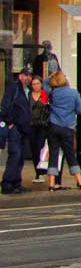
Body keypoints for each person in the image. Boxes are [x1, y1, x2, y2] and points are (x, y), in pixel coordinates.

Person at [45, 70, 81, 191]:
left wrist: (51, 76)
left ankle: (51, 184)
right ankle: (80, 182)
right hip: (68, 127)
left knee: (53, 155)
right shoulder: (74, 93)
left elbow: (44, 84)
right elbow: (80, 110)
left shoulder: (52, 93)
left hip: (53, 126)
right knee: (70, 155)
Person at [1, 66, 34, 194]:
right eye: (25, 75)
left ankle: (16, 183)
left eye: (29, 76)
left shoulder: (27, 91)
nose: (27, 78)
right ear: (20, 76)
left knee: (20, 157)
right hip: (15, 128)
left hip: (23, 129)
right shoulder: (13, 88)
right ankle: (7, 184)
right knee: (15, 155)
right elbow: (5, 105)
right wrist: (9, 123)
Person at [28, 75, 50, 183]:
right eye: (34, 84)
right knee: (34, 149)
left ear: (41, 84)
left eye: (38, 83)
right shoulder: (28, 95)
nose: (36, 86)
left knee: (41, 147)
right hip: (31, 125)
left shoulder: (45, 95)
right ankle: (38, 173)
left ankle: (42, 172)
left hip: (43, 125)